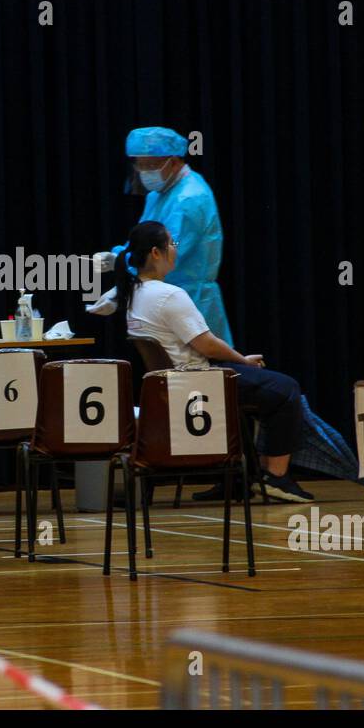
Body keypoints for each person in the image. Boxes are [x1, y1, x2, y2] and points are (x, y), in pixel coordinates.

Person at [115, 220, 314, 504]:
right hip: (199, 382)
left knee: (256, 387)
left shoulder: (134, 294)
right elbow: (206, 343)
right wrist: (242, 359)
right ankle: (276, 478)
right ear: (156, 253)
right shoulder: (168, 294)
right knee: (286, 390)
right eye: (172, 244)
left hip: (175, 383)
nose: (175, 250)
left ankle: (235, 480)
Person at [91, 126, 234, 345]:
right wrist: (118, 256)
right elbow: (145, 239)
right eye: (140, 164)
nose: (144, 171)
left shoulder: (188, 200)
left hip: (189, 297)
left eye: (151, 165)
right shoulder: (160, 194)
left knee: (204, 369)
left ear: (174, 162)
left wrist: (122, 282)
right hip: (164, 297)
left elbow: (167, 253)